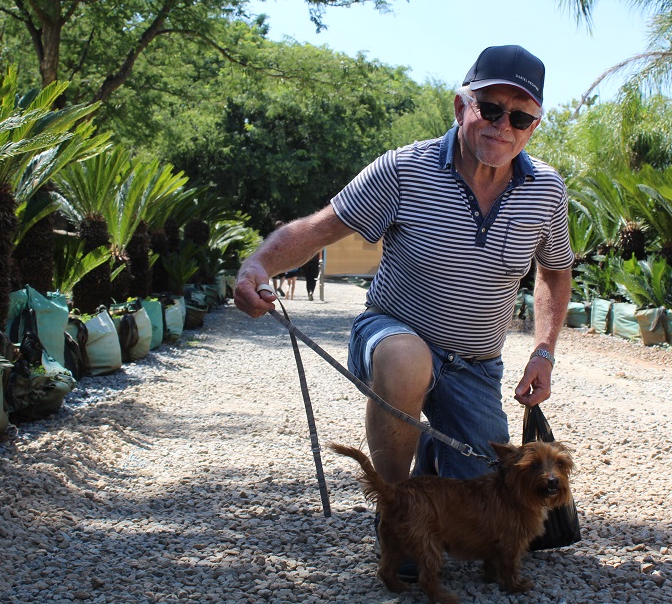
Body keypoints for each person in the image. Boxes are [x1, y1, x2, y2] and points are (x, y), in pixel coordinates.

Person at [235, 43, 572, 495]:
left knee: (486, 500)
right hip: (395, 334)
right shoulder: (404, 169)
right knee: (407, 362)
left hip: (476, 366)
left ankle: (431, 462)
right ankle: (395, 507)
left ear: (534, 126)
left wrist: (543, 352)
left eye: (519, 117)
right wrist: (257, 264)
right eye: (490, 108)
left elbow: (554, 271)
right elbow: (321, 229)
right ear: (460, 106)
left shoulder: (546, 190)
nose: (502, 126)